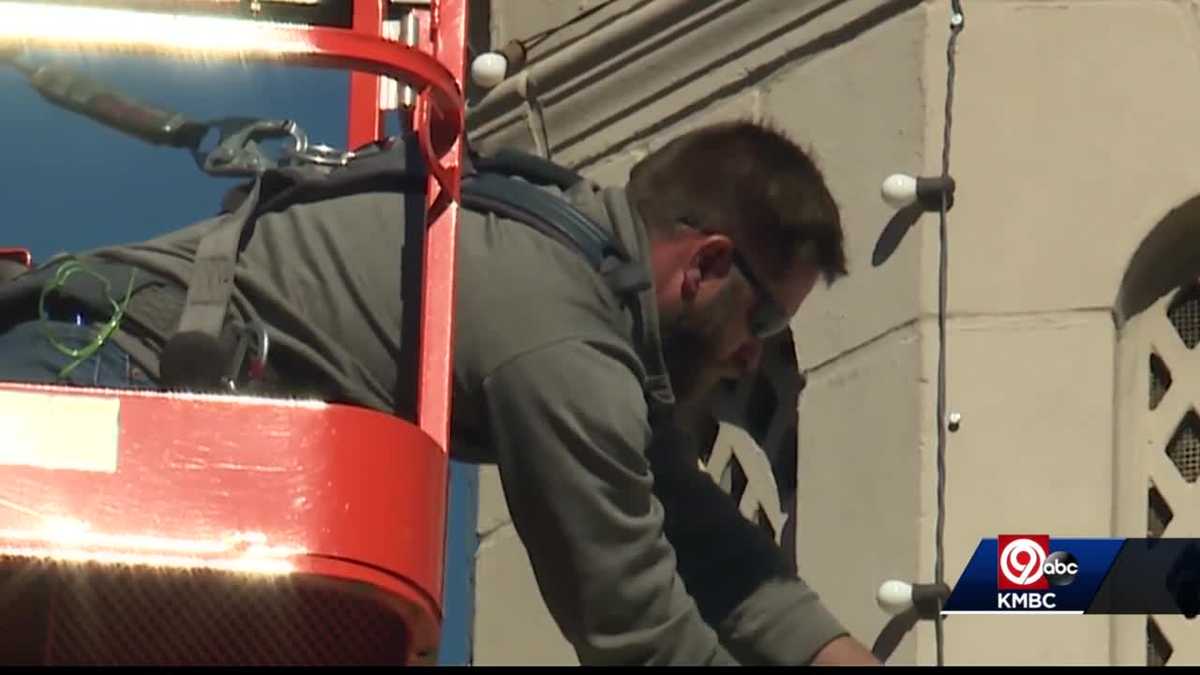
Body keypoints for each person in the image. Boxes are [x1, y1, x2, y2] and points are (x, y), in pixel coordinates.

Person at [0, 119, 879, 665]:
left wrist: (833, 653)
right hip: (94, 378)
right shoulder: (563, 332)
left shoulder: (572, 271)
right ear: (708, 265)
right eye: (760, 327)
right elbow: (639, 630)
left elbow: (698, 529)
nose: (747, 362)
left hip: (119, 389)